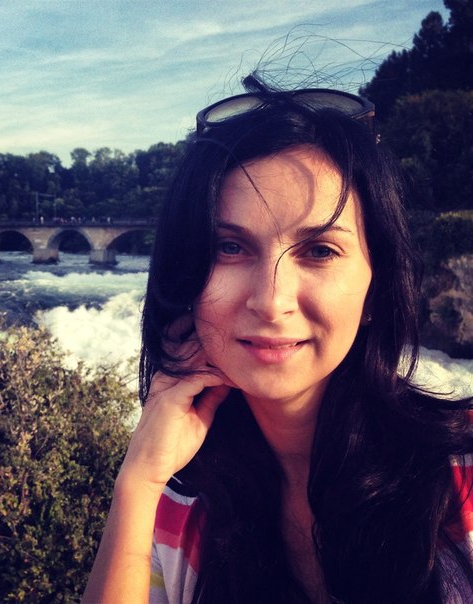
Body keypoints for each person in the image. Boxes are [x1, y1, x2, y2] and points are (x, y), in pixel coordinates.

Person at [83, 73, 473, 603]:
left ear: (376, 288)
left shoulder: (461, 475)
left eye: (320, 251)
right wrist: (137, 483)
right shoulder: (177, 510)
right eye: (229, 248)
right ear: (185, 278)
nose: (271, 301)